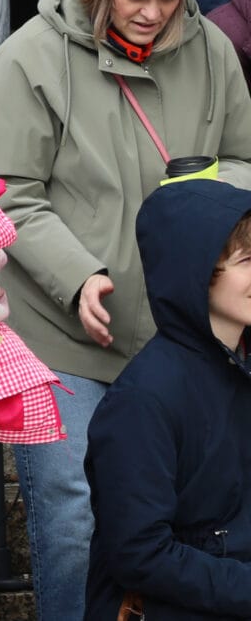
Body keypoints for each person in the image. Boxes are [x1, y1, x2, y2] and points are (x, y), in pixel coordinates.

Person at [0, 0, 251, 621]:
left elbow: (243, 167)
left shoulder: (215, 51)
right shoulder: (27, 59)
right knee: (73, 523)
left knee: (199, 523)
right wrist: (79, 277)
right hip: (63, 339)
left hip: (185, 344)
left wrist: (208, 194)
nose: (154, 10)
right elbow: (9, 194)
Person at [83, 178, 251, 620]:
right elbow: (141, 555)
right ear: (195, 272)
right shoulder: (141, 402)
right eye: (248, 260)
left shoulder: (240, 368)